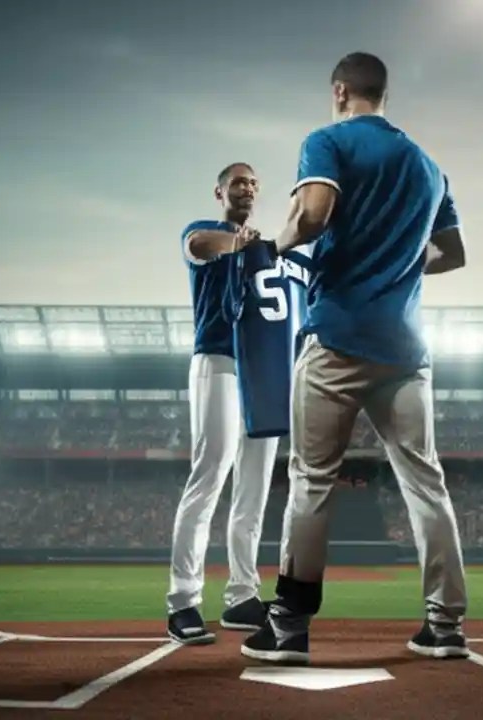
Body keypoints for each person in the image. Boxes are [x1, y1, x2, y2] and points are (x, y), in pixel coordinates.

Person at [241, 52, 470, 665]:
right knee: (426, 481)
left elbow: (312, 214)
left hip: (339, 334)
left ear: (340, 91)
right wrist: (397, 262)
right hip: (406, 348)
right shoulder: (429, 166)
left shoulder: (328, 140)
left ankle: (289, 626)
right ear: (382, 93)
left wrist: (271, 244)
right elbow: (452, 255)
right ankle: (445, 625)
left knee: (312, 480)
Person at [165, 163, 282, 645]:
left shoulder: (264, 250)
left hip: (260, 371)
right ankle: (183, 602)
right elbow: (199, 248)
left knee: (253, 490)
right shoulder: (205, 231)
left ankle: (241, 596)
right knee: (210, 475)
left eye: (253, 182)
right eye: (238, 182)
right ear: (220, 191)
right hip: (217, 361)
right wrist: (245, 243)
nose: (247, 188)